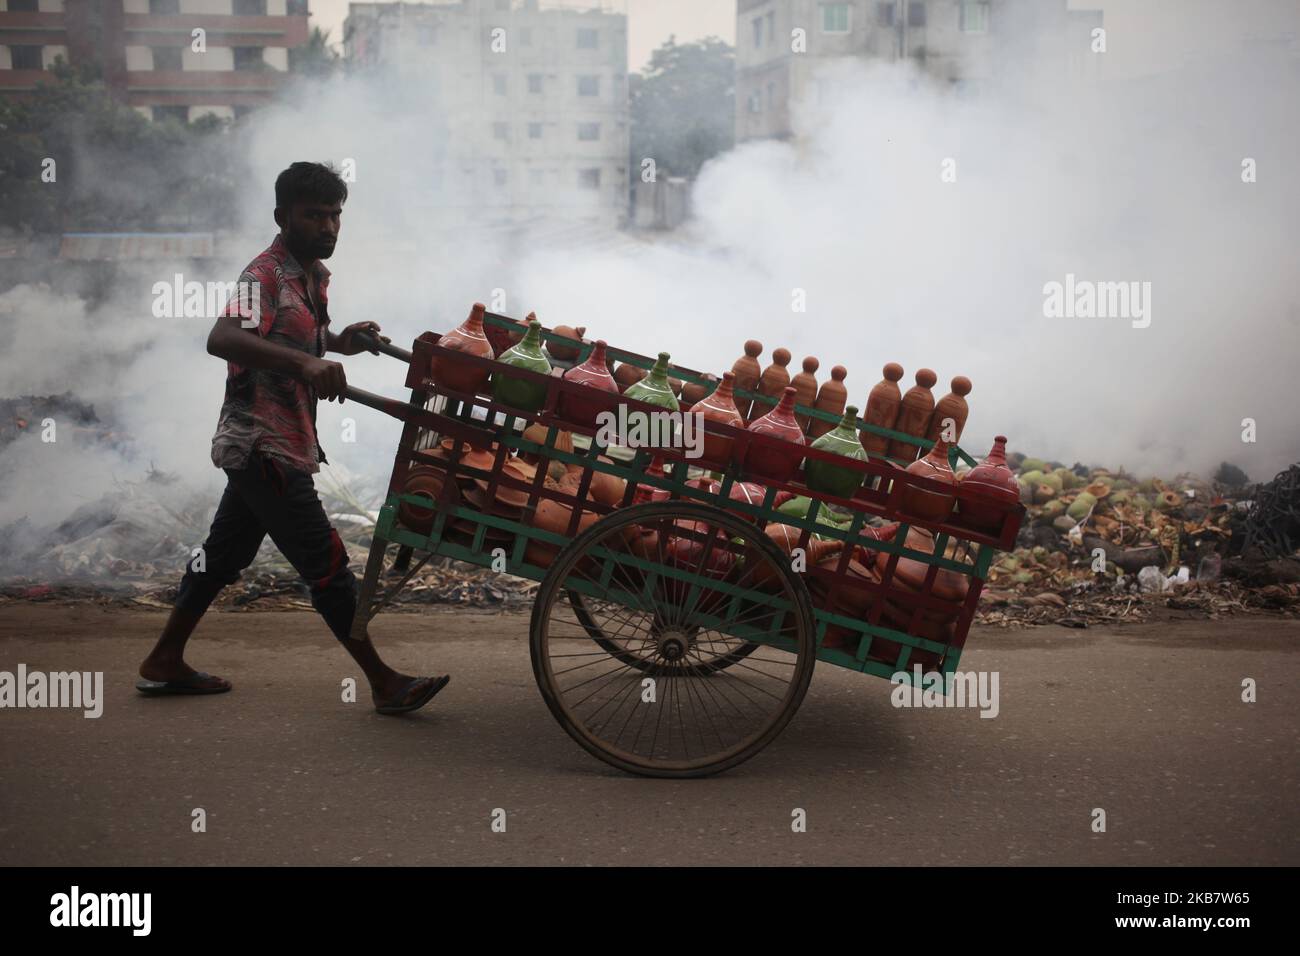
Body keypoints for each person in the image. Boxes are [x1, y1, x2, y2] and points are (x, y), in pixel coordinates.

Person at [137, 161, 449, 715]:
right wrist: (304, 367)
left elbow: (306, 335)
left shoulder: (311, 277)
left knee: (222, 557)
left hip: (280, 443)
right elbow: (224, 338)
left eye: (335, 215)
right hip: (263, 445)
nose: (329, 226)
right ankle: (384, 681)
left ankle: (164, 659)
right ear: (283, 216)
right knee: (326, 564)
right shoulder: (263, 276)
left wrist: (341, 342)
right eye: (314, 215)